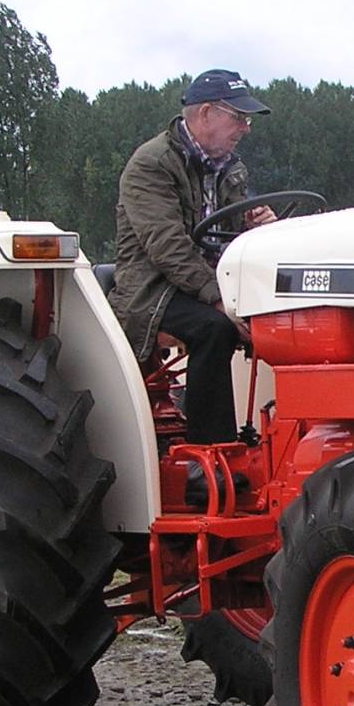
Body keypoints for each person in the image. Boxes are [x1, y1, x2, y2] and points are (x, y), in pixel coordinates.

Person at [111, 69, 276, 445]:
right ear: (205, 114)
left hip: (209, 283)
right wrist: (220, 301)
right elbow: (167, 247)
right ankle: (210, 455)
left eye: (246, 119)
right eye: (239, 117)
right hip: (154, 290)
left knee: (287, 323)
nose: (245, 128)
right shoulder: (151, 165)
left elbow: (230, 237)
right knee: (213, 329)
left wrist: (258, 226)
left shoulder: (229, 169)